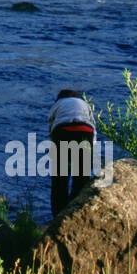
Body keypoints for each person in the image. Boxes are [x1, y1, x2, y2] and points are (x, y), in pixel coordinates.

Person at [48, 89, 96, 217]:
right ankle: (76, 214)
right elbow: (93, 126)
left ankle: (57, 215)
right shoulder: (85, 104)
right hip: (85, 131)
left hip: (62, 131)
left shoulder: (58, 104)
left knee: (60, 179)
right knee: (81, 177)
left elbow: (51, 124)